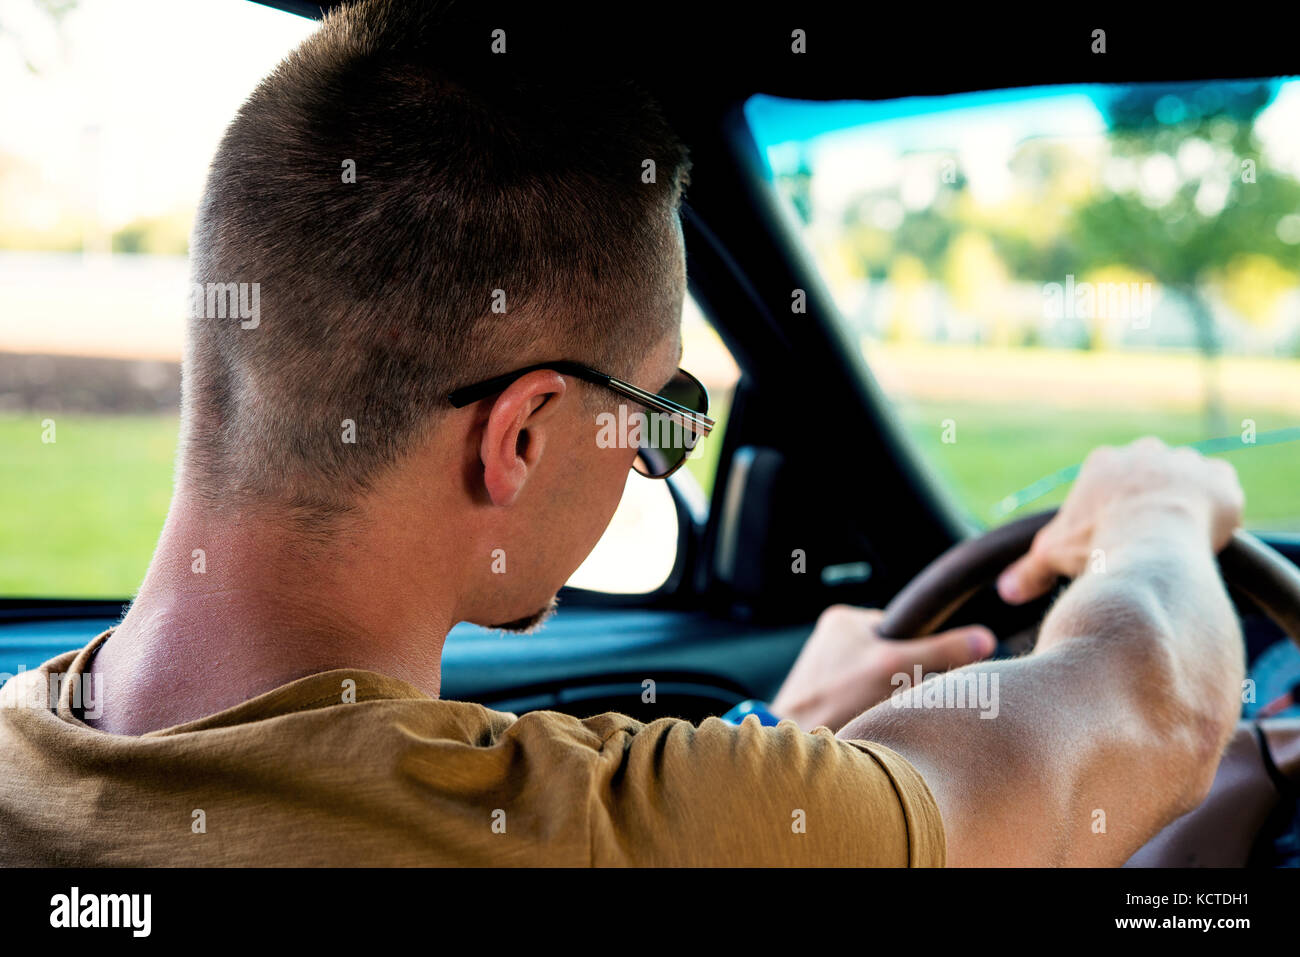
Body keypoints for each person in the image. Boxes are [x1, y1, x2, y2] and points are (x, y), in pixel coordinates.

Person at [0, 0, 1266, 866]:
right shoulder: (612, 833)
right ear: (524, 435)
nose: (658, 454)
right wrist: (1158, 518)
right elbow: (1150, 709)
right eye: (660, 413)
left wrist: (778, 743)